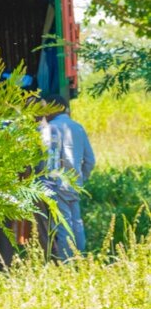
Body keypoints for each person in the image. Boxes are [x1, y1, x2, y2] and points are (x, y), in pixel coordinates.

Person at [40, 95, 95, 259]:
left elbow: (48, 161)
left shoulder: (50, 128)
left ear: (53, 109)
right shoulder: (78, 127)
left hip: (58, 183)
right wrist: (81, 178)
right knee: (76, 222)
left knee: (63, 225)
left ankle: (67, 263)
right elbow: (90, 160)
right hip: (75, 183)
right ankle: (81, 257)